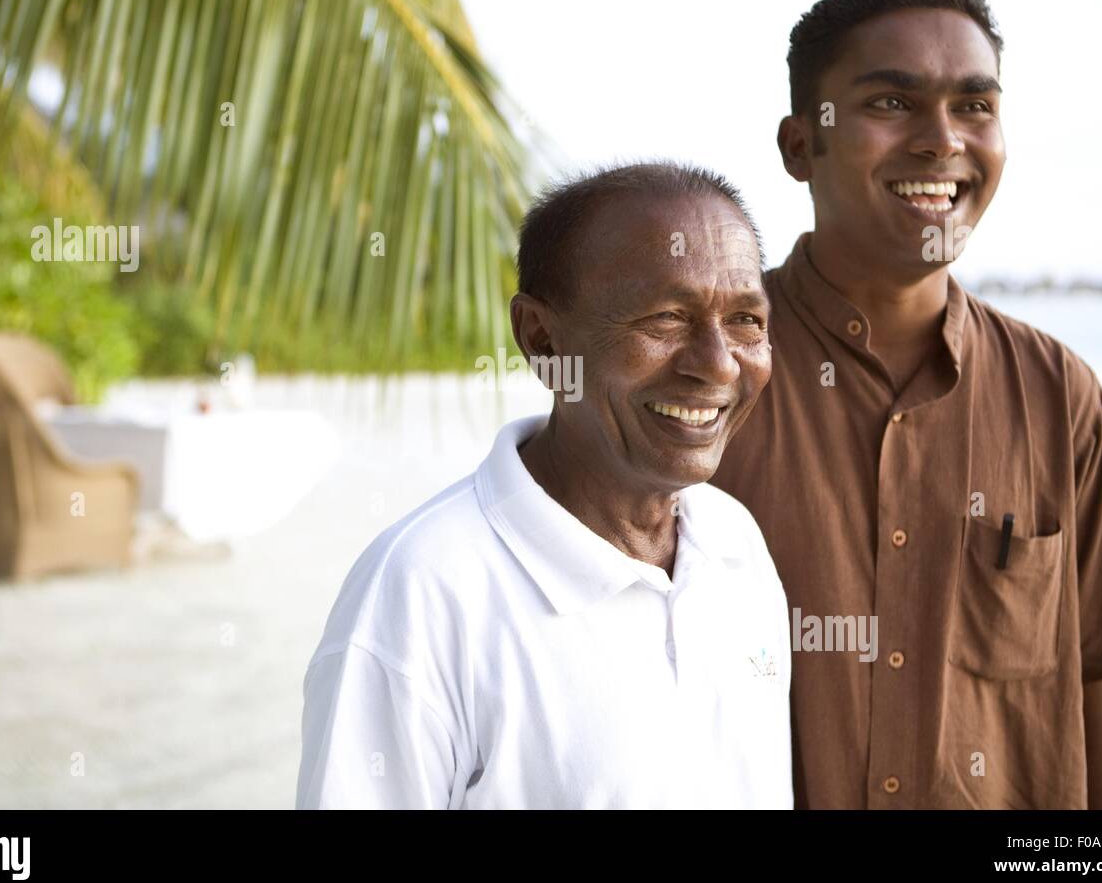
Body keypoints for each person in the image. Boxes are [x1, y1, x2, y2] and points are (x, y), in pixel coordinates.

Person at [711, 0, 1102, 808]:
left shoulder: (1059, 394)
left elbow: (1091, 683)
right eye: (891, 103)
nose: (942, 139)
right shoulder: (708, 380)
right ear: (798, 145)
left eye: (975, 105)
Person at [298, 162, 792, 808]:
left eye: (746, 321)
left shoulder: (735, 545)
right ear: (542, 341)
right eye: (667, 318)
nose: (718, 364)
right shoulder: (419, 591)